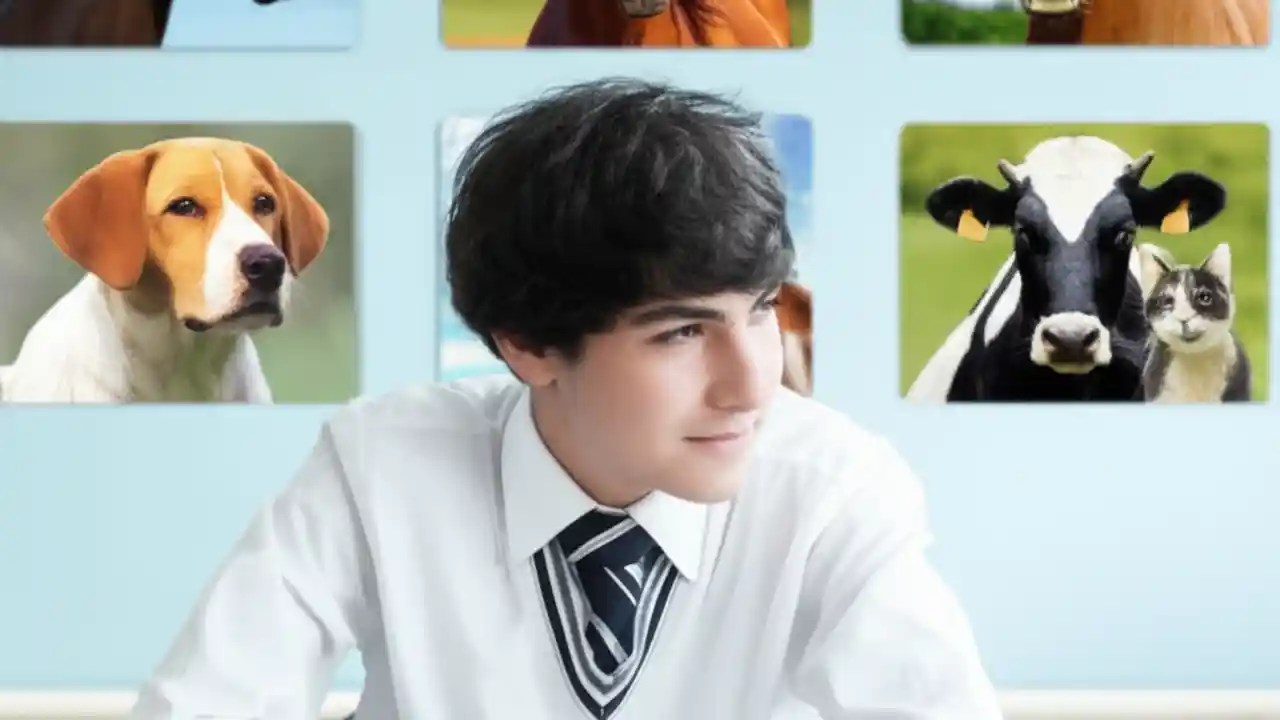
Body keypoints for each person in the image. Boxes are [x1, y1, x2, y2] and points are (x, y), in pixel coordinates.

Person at [129, 77, 1003, 720]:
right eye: (682, 333)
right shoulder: (383, 464)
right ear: (527, 344)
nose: (752, 384)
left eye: (763, 310)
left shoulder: (832, 487)